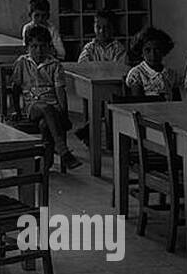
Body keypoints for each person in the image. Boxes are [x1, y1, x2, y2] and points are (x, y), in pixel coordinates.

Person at [9, 25, 80, 172]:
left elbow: (60, 92)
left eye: (42, 46)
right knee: (46, 108)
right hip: (32, 107)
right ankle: (63, 151)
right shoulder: (22, 63)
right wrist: (16, 110)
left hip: (53, 107)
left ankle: (45, 163)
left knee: (45, 125)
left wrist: (64, 114)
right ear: (27, 47)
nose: (38, 50)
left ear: (49, 47)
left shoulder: (55, 65)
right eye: (34, 46)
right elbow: (15, 89)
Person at [75, 10, 127, 145]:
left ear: (114, 29)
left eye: (107, 28)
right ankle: (90, 132)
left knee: (108, 105)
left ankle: (103, 136)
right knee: (93, 102)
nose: (102, 31)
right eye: (98, 27)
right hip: (93, 84)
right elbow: (83, 64)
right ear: (93, 28)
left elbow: (120, 69)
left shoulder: (118, 48)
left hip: (113, 86)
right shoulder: (90, 47)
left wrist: (98, 68)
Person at [124, 26, 180, 100]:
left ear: (163, 51)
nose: (153, 55)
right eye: (148, 50)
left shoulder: (171, 74)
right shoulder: (137, 74)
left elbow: (177, 101)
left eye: (157, 50)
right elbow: (139, 101)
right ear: (141, 52)